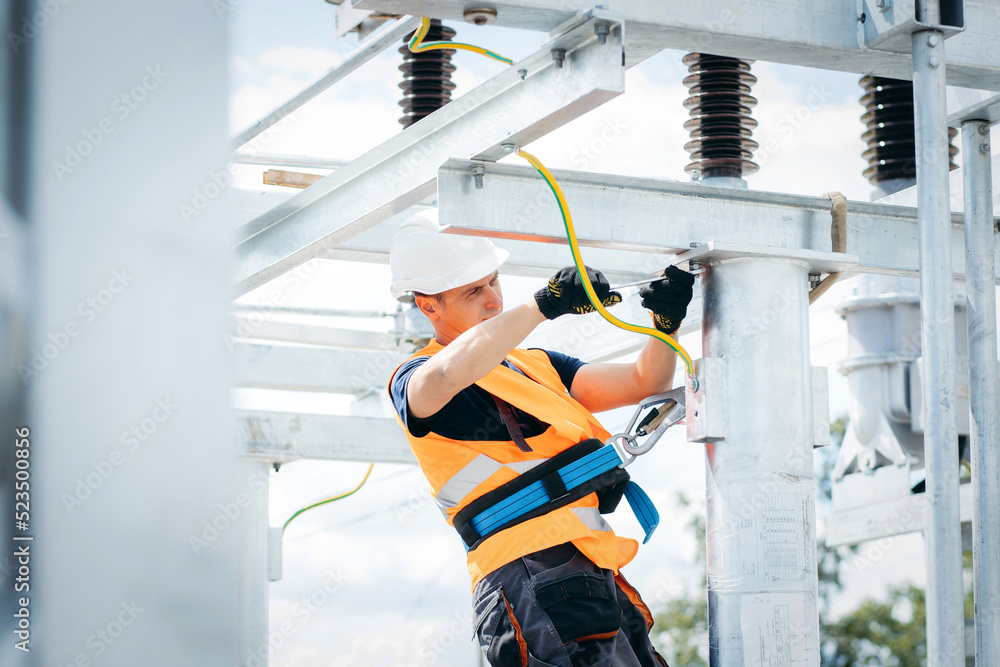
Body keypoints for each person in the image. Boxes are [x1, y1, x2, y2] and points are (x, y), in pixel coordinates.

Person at [386, 209, 694, 667]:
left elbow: (643, 382)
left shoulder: (534, 364)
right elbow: (448, 373)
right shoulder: (414, 378)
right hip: (527, 573)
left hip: (588, 568)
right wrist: (542, 305)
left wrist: (664, 325)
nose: (493, 300)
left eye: (494, 281)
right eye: (474, 291)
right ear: (428, 305)